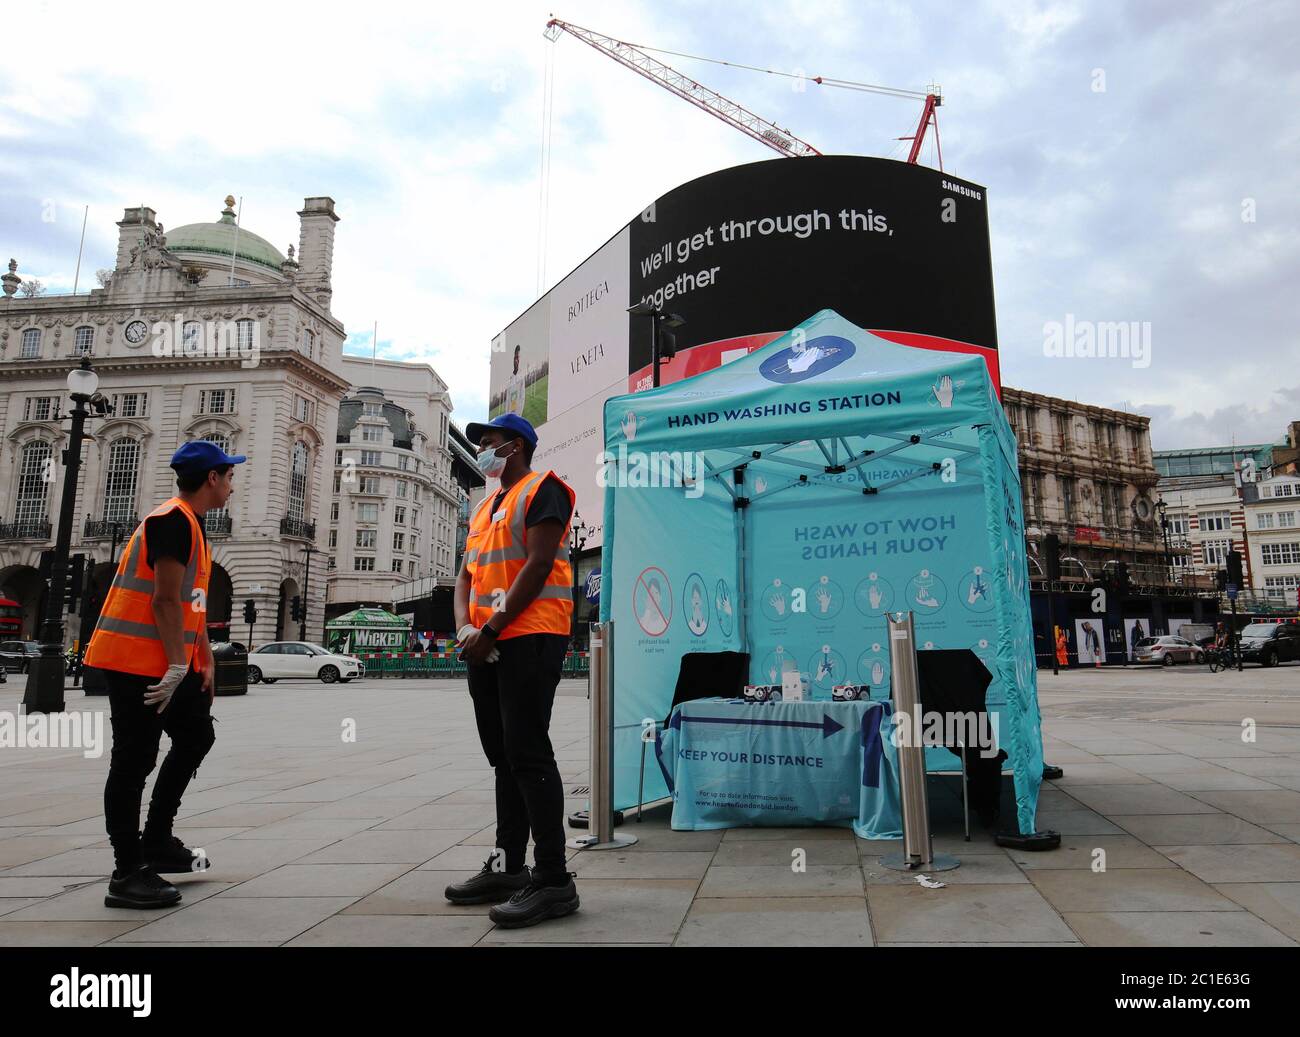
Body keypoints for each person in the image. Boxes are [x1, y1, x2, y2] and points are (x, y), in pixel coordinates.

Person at [85, 440, 245, 909]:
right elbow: (163, 599)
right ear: (211, 478)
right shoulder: (171, 521)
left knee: (196, 736)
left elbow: (191, 604)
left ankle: (156, 839)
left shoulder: (192, 527)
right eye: (229, 475)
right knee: (133, 761)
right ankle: (126, 871)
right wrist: (178, 664)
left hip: (170, 664)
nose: (232, 484)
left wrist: (203, 660)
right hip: (137, 665)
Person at [446, 413, 579, 928]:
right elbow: (465, 576)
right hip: (484, 643)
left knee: (527, 751)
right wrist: (466, 630)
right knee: (503, 756)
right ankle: (509, 866)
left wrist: (493, 628)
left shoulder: (546, 490)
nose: (482, 449)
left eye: (490, 442)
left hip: (531, 635)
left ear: (516, 447)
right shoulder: (484, 508)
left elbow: (540, 564)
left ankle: (553, 880)